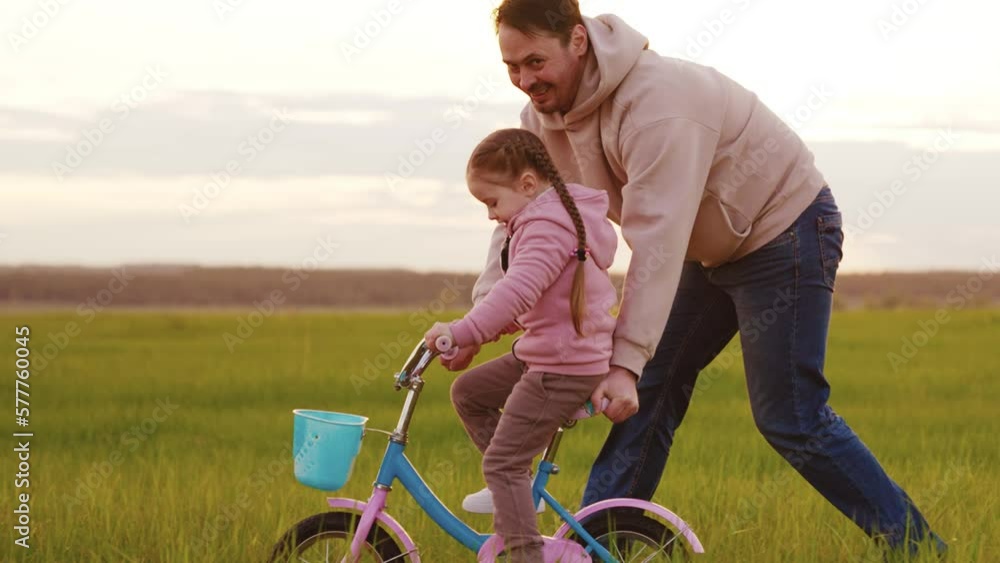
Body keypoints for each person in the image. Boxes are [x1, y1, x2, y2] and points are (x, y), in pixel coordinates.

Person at [438, 0, 947, 555]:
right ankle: (594, 547)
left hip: (784, 231)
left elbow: (656, 238)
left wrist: (627, 359)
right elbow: (518, 219)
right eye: (512, 67)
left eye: (535, 61)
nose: (525, 80)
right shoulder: (537, 124)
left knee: (790, 416)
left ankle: (919, 548)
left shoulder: (657, 104)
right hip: (703, 252)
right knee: (646, 392)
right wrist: (480, 318)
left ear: (578, 41)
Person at [423, 127, 619, 561]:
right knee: (469, 392)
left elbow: (516, 292)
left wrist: (460, 330)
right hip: (548, 352)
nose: (491, 215)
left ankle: (524, 550)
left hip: (562, 364)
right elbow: (519, 307)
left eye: (492, 202)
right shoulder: (538, 222)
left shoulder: (547, 228)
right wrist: (472, 336)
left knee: (501, 463)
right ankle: (515, 493)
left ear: (527, 184)